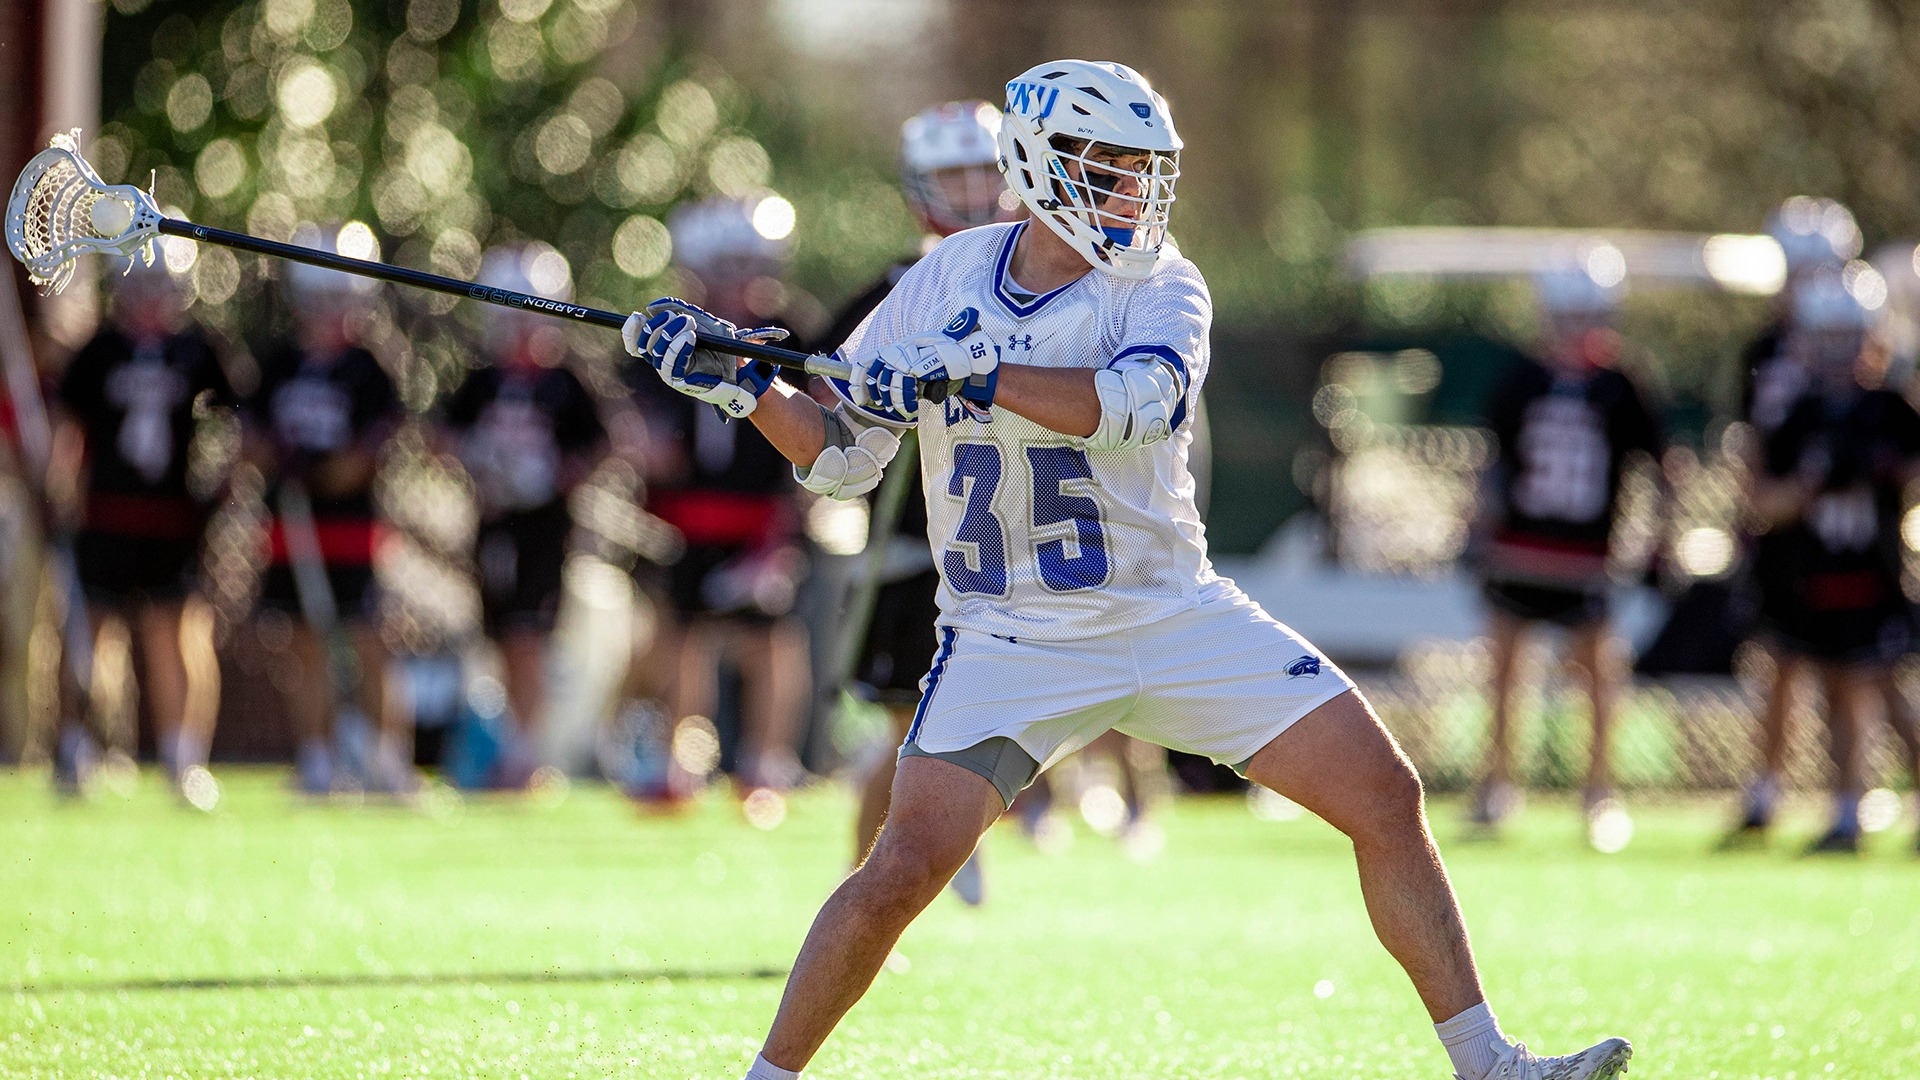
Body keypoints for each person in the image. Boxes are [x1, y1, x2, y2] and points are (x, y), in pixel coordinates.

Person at [624, 59, 1632, 1080]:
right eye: (1107, 166)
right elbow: (843, 454)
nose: (1131, 189)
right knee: (901, 866)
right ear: (1039, 162)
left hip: (1172, 616)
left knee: (1385, 793)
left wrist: (978, 371)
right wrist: (745, 387)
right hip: (1012, 637)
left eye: (1142, 168)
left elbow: (1133, 404)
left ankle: (1487, 1063)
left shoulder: (1162, 282)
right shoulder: (943, 278)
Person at [827, 99, 1021, 900]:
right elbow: (827, 399)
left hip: (1017, 550)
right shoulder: (895, 290)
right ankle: (859, 888)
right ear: (918, 192)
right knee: (913, 730)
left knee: (1013, 730)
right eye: (954, 175)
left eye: (985, 170)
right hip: (921, 553)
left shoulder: (1040, 277)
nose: (974, 190)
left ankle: (957, 829)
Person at [1468, 254, 1665, 844]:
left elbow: (1657, 465)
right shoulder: (1521, 379)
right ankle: (1499, 784)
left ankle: (1600, 791)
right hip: (1521, 548)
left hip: (1586, 554)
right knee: (1505, 670)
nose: (1573, 329)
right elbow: (1493, 464)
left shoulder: (1623, 384)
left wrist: (1660, 537)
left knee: (1598, 674)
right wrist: (1477, 526)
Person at [627, 194, 812, 799]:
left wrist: (790, 526)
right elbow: (637, 418)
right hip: (687, 517)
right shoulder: (664, 332)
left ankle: (769, 763)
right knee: (681, 636)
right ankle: (679, 761)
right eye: (724, 266)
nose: (738, 281)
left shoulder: (795, 333)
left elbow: (819, 432)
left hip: (762, 519)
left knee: (769, 640)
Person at [46, 256, 231, 806]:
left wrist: (221, 484)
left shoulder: (196, 352)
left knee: (170, 636)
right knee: (86, 636)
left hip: (170, 523)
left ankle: (182, 756)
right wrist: (58, 488)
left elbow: (233, 420)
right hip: (106, 518)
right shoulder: (98, 351)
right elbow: (66, 429)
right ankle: (76, 748)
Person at [1748, 264, 1920, 854]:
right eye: (1825, 339)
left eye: (1846, 338)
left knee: (1885, 696)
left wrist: (1883, 471)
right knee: (1834, 697)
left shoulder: (1892, 409)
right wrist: (1808, 488)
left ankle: (1870, 805)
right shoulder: (1800, 414)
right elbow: (1764, 499)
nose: (1835, 353)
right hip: (1817, 575)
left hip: (1874, 576)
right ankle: (1847, 809)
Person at [244, 227, 409, 796]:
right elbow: (253, 434)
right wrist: (272, 457)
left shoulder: (369, 368)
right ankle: (316, 758)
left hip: (352, 526)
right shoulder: (281, 362)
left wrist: (338, 468)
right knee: (305, 644)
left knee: (368, 642)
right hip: (293, 524)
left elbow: (378, 443)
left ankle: (388, 758)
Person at [438, 245, 608, 788]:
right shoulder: (484, 381)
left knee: (531, 634)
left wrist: (560, 475)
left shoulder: (565, 383)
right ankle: (517, 742)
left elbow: (603, 445)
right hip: (495, 521)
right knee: (502, 633)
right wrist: (478, 467)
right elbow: (440, 435)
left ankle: (525, 752)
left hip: (544, 526)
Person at [1724, 197, 1865, 841]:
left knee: (1860, 674)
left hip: (1849, 532)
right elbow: (1750, 439)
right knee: (1777, 658)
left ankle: (1854, 795)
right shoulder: (1765, 349)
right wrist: (1754, 504)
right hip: (1783, 530)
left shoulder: (1864, 345)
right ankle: (1769, 786)